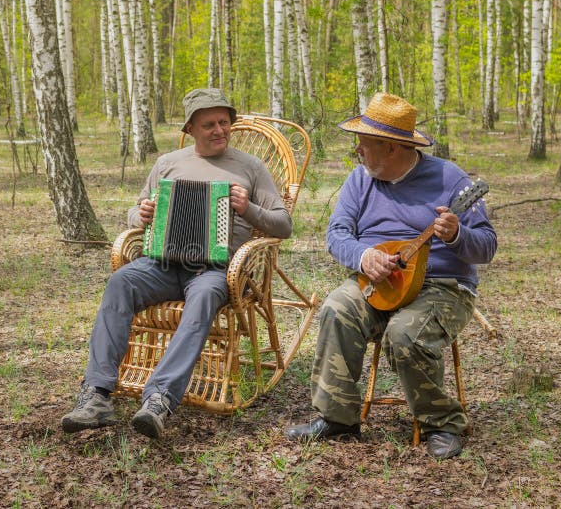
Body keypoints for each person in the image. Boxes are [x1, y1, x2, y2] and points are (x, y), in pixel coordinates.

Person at [62, 88, 292, 438]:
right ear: (190, 129)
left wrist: (248, 208)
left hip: (217, 271)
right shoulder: (168, 163)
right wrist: (139, 213)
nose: (219, 130)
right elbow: (135, 213)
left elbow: (283, 225)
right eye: (209, 125)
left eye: (224, 123)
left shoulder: (250, 168)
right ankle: (96, 394)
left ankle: (159, 398)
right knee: (121, 281)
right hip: (162, 264)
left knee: (201, 298)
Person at [284, 93, 497, 459]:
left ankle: (442, 424)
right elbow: (336, 234)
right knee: (336, 309)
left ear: (392, 149)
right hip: (378, 282)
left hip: (442, 287)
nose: (358, 153)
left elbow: (488, 246)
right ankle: (336, 419)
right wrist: (365, 257)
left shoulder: (451, 179)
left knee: (405, 332)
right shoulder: (360, 179)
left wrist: (456, 235)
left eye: (364, 146)